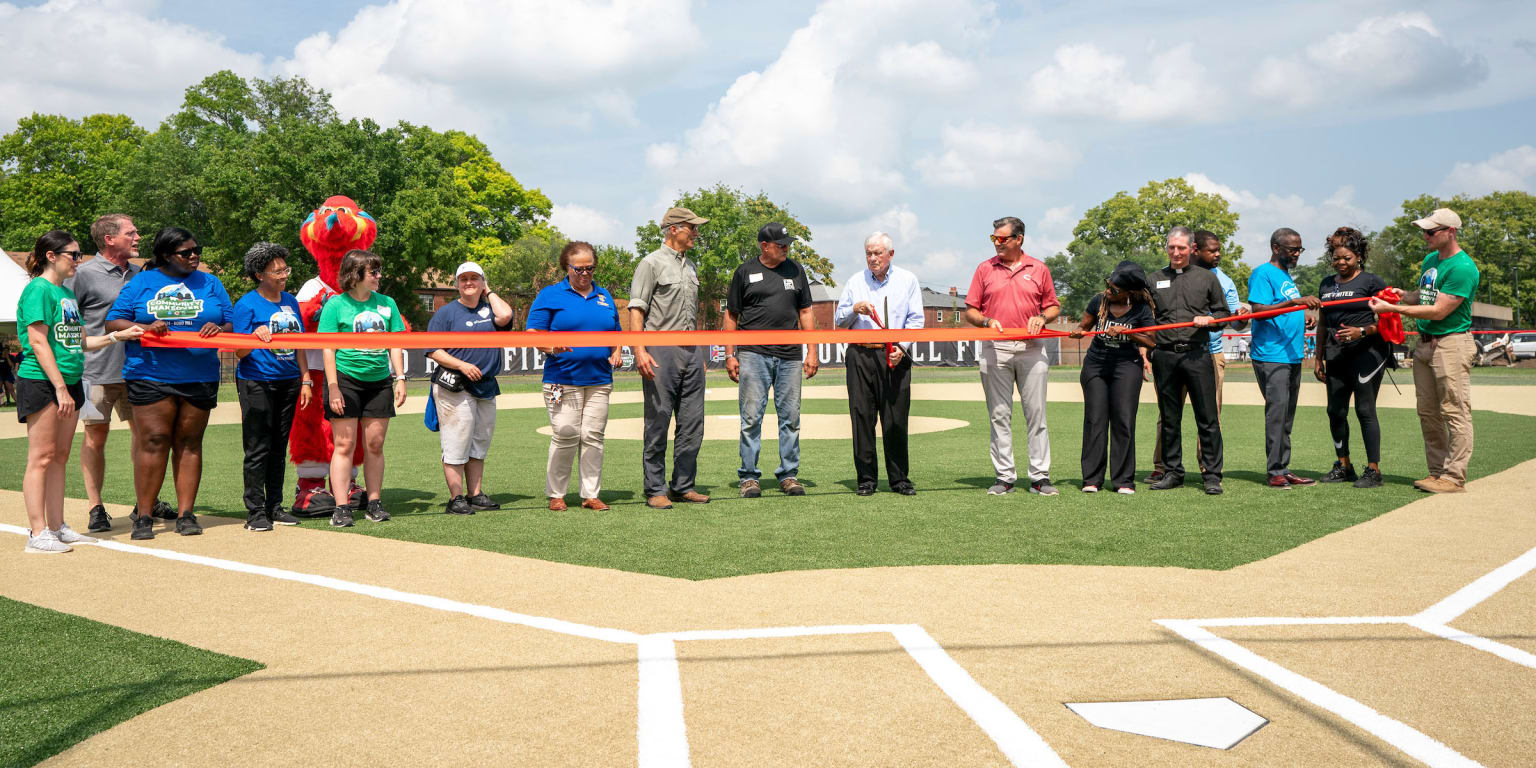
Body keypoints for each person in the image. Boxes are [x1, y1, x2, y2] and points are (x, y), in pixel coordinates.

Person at [17, 231, 143, 552]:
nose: (79, 260)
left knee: (60, 456)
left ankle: (57, 527)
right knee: (41, 457)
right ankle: (37, 532)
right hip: (45, 382)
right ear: (51, 256)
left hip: (71, 380)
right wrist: (60, 388)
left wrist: (119, 336)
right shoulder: (38, 290)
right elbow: (38, 341)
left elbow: (81, 342)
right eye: (73, 255)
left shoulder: (66, 295)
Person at [106, 227, 233, 539]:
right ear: (165, 255)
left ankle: (187, 515)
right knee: (155, 440)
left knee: (189, 443)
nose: (194, 256)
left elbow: (230, 321)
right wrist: (144, 325)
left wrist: (218, 328)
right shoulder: (143, 282)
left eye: (196, 250)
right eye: (185, 252)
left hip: (199, 373)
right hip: (150, 374)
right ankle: (144, 516)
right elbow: (114, 321)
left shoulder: (211, 282)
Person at [67, 214, 173, 532]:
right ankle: (96, 507)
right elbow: (70, 325)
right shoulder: (82, 275)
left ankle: (146, 502)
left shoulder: (142, 274)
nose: (138, 236)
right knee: (95, 437)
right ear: (110, 239)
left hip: (139, 371)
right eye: (132, 232)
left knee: (145, 437)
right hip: (94, 372)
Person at [1370, 207, 1480, 494]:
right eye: (1424, 230)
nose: (1425, 235)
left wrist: (1392, 307)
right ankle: (1437, 473)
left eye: (1431, 231)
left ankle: (1454, 477)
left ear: (1450, 232)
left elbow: (1439, 310)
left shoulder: (1463, 268)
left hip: (1452, 343)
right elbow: (1426, 294)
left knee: (1454, 411)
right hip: (1425, 344)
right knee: (1428, 412)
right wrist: (1402, 295)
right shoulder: (1431, 260)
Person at [964, 215, 1061, 496]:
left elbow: (1053, 306)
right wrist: (984, 322)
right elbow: (970, 309)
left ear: (1019, 239)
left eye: (1002, 238)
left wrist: (1042, 317)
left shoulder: (1039, 268)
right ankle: (1004, 477)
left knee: (1036, 414)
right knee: (999, 415)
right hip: (995, 349)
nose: (997, 243)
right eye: (994, 238)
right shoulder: (984, 269)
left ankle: (1040, 477)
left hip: (1032, 349)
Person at [725, 223, 819, 497]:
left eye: (788, 243)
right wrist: (731, 354)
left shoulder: (796, 270)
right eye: (781, 244)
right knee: (751, 418)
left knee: (790, 418)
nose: (786, 248)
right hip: (753, 354)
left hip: (790, 355)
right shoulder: (745, 272)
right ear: (764, 246)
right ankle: (749, 478)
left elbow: (806, 312)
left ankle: (788, 475)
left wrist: (811, 350)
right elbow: (731, 316)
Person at [527, 243, 623, 510]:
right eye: (578, 268)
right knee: (566, 433)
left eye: (589, 268)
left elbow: (616, 333)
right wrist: (551, 347)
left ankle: (590, 494)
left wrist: (616, 352)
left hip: (599, 380)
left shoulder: (604, 296)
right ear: (566, 268)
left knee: (593, 436)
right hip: (561, 378)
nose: (584, 273)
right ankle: (556, 494)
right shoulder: (550, 295)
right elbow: (533, 334)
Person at [629, 207, 712, 510]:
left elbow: (691, 313)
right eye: (693, 228)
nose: (696, 233)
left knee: (692, 423)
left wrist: (698, 352)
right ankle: (655, 489)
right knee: (658, 421)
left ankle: (683, 485)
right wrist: (639, 350)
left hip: (691, 351)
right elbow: (637, 309)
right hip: (660, 350)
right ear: (674, 229)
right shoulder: (650, 263)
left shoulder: (691, 266)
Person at [1148, 229, 1246, 483]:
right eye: (1172, 247)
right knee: (1169, 419)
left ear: (1191, 249)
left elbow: (1224, 314)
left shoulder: (1207, 278)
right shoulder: (1154, 279)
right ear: (1166, 248)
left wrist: (1211, 319)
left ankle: (1212, 474)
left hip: (1198, 356)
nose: (1176, 253)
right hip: (1165, 357)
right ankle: (1172, 472)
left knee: (1208, 418)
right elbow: (1146, 317)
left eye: (1181, 248)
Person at [318, 249, 406, 526]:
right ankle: (341, 507)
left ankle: (374, 502)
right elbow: (327, 348)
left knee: (375, 444)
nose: (379, 276)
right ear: (355, 275)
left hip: (379, 381)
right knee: (344, 444)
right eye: (373, 272)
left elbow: (396, 343)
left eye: (379, 271)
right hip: (345, 380)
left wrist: (400, 377)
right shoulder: (335, 305)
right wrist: (333, 387)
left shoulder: (387, 303)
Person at [834, 232, 923, 496]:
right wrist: (854, 309)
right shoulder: (854, 281)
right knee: (862, 417)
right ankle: (866, 479)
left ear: (890, 255)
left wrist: (901, 348)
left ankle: (899, 479)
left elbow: (916, 320)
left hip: (895, 355)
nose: (872, 259)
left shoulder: (908, 280)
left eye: (877, 253)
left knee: (895, 419)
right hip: (860, 355)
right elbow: (839, 320)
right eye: (868, 254)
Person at [426, 261, 513, 515]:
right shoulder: (446, 313)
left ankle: (475, 494)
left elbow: (506, 316)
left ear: (482, 282)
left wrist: (490, 292)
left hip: (486, 386)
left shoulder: (490, 309)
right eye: (464, 279)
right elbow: (433, 350)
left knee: (479, 442)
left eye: (474, 278)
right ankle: (456, 497)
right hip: (455, 386)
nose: (469, 283)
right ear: (457, 284)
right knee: (456, 442)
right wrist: (462, 365)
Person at [232, 243, 308, 531]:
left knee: (279, 446)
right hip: (257, 382)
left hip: (288, 381)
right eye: (277, 271)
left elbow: (299, 343)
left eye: (285, 269)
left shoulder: (290, 301)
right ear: (259, 274)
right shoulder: (247, 305)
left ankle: (274, 506)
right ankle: (255, 512)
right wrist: (253, 336)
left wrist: (306, 379)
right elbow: (238, 352)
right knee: (258, 447)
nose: (284, 275)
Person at [1070, 261, 1156, 494]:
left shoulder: (1142, 309)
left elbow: (1151, 341)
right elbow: (1085, 326)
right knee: (1095, 420)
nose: (1109, 291)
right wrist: (1079, 331)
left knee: (1123, 420)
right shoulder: (1099, 301)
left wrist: (1128, 333)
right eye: (1109, 285)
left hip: (1127, 366)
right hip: (1096, 364)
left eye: (1115, 290)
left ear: (1130, 292)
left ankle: (1123, 480)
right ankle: (1091, 479)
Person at [1247, 228, 1323, 489]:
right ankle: (1274, 471)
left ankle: (1284, 467)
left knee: (1287, 415)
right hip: (1271, 354)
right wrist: (1296, 303)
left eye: (1300, 249)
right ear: (1276, 248)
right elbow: (1258, 311)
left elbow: (1283, 307)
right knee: (1277, 414)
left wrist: (1303, 314)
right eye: (1293, 249)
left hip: (1291, 355)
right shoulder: (1263, 273)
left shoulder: (1286, 277)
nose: (1298, 254)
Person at [1315, 227, 1389, 489]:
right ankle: (1344, 465)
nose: (1341, 262)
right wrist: (1317, 357)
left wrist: (1362, 331)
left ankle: (1373, 470)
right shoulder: (1326, 284)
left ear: (1358, 256)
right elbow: (1322, 322)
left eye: (1347, 258)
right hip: (1335, 354)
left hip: (1368, 353)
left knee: (1364, 409)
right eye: (1336, 258)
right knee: (1335, 410)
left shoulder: (1372, 282)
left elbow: (1391, 319)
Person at [0, 340, 15, 406]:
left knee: (10, 389)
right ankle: (1, 402)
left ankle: (17, 402)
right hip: (0, 374)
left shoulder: (10, 357)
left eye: (7, 350)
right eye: (4, 350)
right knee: (0, 390)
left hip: (7, 375)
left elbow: (11, 365)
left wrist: (7, 357)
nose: (5, 352)